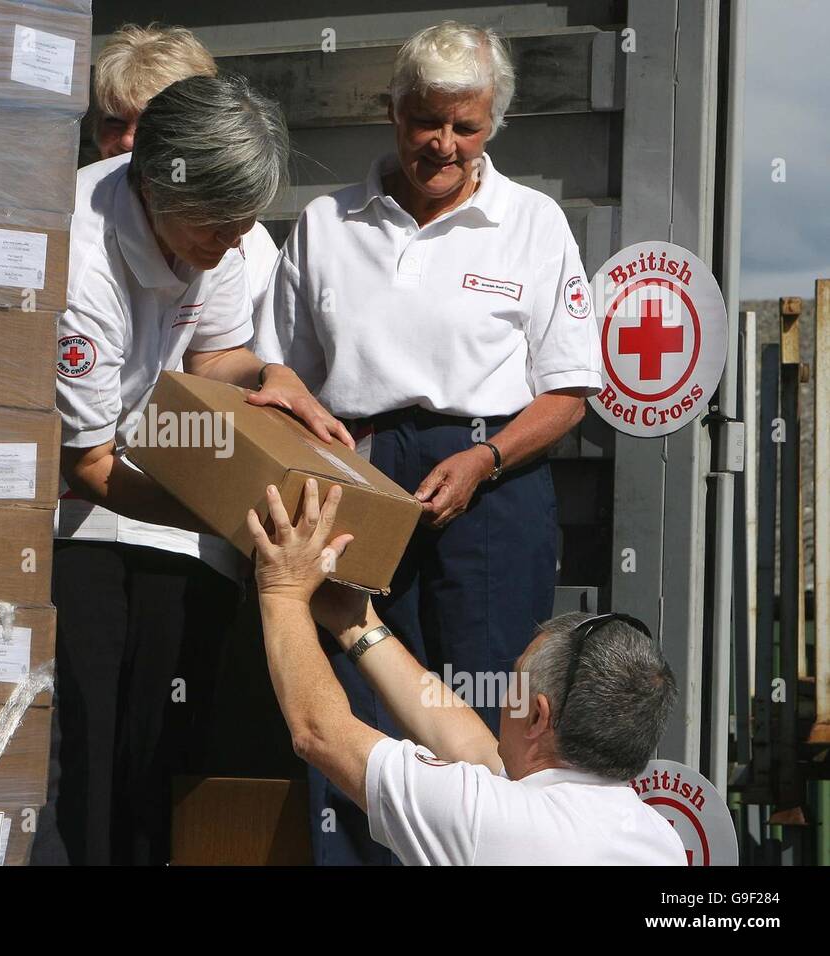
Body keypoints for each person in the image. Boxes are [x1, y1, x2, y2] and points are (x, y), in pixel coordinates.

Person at [253, 20, 603, 864]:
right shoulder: (329, 222)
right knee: (353, 699)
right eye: (426, 120)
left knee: (486, 718)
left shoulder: (534, 222)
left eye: (466, 125)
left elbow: (570, 393)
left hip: (493, 485)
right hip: (358, 477)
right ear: (394, 110)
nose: (443, 143)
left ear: (493, 126)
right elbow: (277, 373)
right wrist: (299, 405)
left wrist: (485, 458)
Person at [40, 73, 352, 866]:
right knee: (83, 761)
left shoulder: (215, 230)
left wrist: (274, 380)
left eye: (242, 226)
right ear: (153, 184)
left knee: (161, 755)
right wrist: (231, 514)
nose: (232, 243)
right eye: (217, 227)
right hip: (65, 512)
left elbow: (214, 352)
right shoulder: (79, 269)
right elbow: (91, 465)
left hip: (148, 482)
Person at [247, 478, 687, 865]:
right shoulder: (658, 839)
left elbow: (318, 731)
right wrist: (359, 624)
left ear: (538, 716)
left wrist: (283, 591)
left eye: (514, 685)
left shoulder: (487, 820)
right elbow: (472, 746)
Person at [92, 22, 282, 313]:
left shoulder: (242, 244)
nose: (129, 139)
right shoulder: (77, 232)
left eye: (148, 123)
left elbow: (226, 354)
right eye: (114, 121)